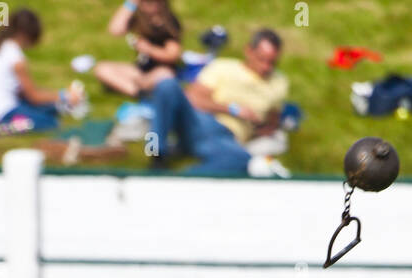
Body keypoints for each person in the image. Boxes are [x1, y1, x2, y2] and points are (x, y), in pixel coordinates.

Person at [147, 28, 288, 175]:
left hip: (227, 138)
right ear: (248, 51)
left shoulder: (279, 82)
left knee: (243, 161)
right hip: (199, 122)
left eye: (272, 62)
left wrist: (258, 124)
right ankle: (157, 155)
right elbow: (192, 98)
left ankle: (177, 181)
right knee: (167, 85)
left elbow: (272, 122)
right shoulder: (223, 67)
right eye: (261, 59)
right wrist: (233, 109)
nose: (266, 67)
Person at [0, 8, 87, 152]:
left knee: (47, 110)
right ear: (26, 34)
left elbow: (25, 93)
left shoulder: (3, 49)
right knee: (49, 122)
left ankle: (7, 124)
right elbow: (33, 96)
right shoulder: (16, 58)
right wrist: (65, 95)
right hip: (0, 114)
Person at [91, 0, 184, 97]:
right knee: (102, 68)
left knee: (165, 75)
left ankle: (135, 88)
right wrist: (130, 3)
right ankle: (138, 93)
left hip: (160, 71)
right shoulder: (140, 19)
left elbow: (172, 55)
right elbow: (115, 30)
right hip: (140, 70)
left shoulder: (169, 24)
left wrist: (149, 49)